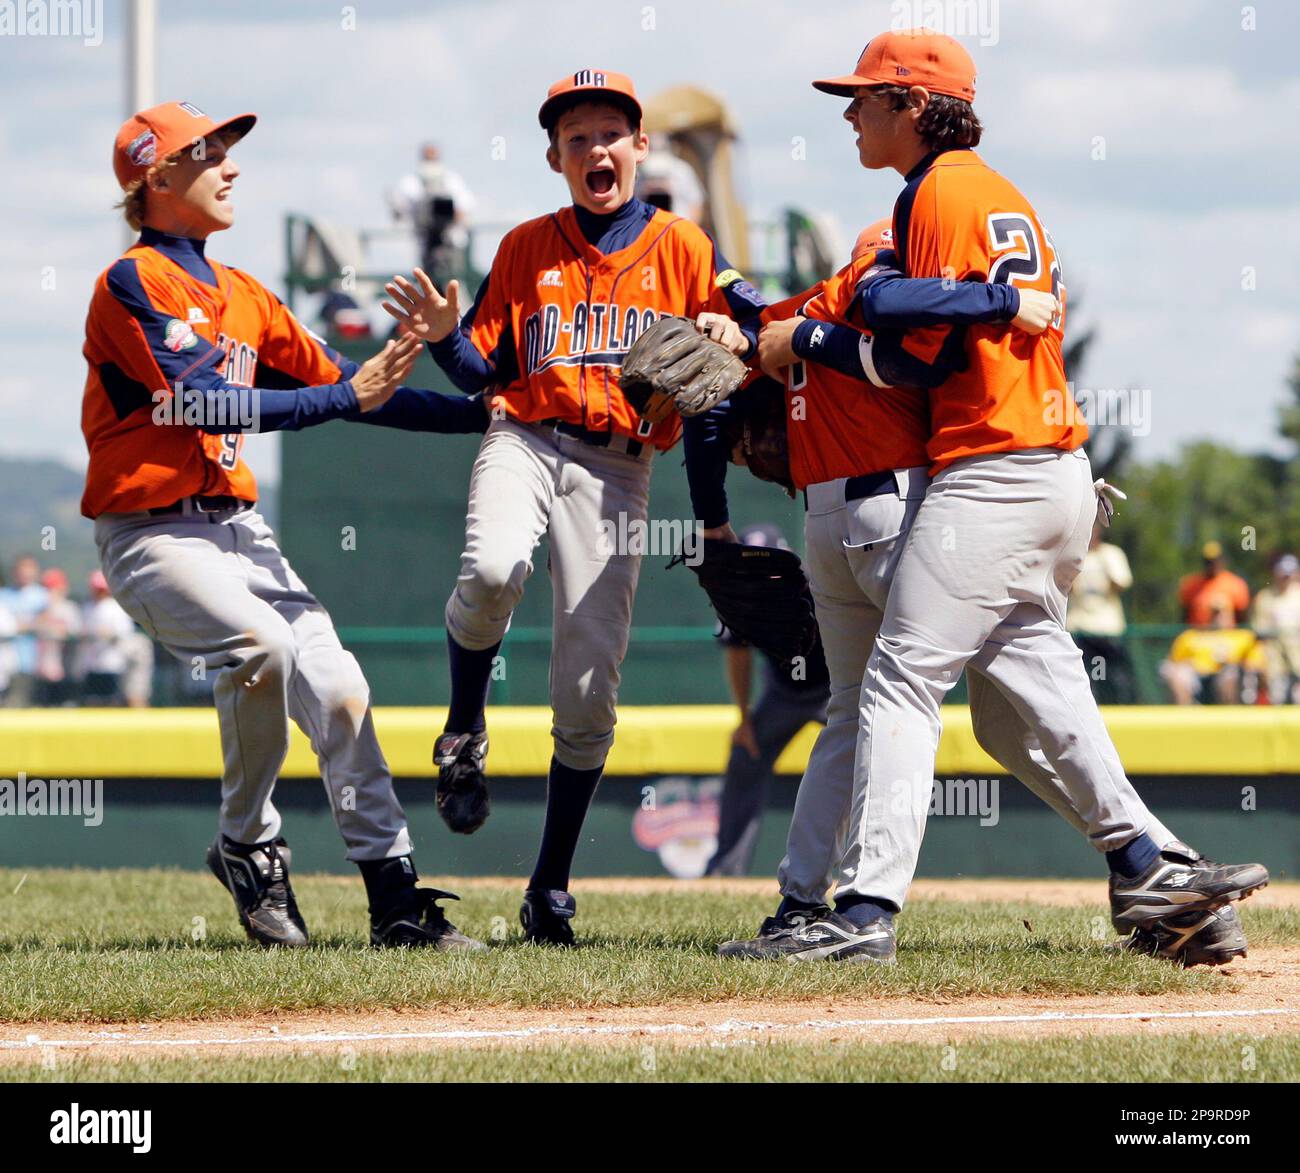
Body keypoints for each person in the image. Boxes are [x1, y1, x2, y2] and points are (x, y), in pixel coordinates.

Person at [734, 29, 1266, 963]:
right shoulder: (998, 193)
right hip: (1055, 476)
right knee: (1018, 691)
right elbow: (906, 320)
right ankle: (1154, 863)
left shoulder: (937, 188)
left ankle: (861, 915)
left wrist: (817, 340)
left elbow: (911, 343)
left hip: (993, 468)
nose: (852, 112)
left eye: (866, 96)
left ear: (913, 103)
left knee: (898, 678)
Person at [84, 101, 490, 951]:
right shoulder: (132, 283)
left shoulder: (244, 295)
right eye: (207, 153)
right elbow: (198, 397)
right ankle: (248, 842)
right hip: (152, 537)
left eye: (228, 149)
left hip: (238, 530)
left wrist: (486, 415)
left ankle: (397, 901)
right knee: (262, 648)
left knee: (340, 691)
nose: (230, 165)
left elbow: (352, 383)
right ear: (156, 178)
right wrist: (345, 395)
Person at [382, 68, 767, 945]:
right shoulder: (524, 247)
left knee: (589, 689)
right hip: (526, 436)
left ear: (639, 147)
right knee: (490, 569)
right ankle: (464, 727)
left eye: (611, 133)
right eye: (577, 137)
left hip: (621, 468)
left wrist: (735, 333)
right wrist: (445, 340)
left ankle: (549, 885)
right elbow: (485, 376)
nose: (596, 149)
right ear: (556, 157)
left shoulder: (685, 249)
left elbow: (748, 336)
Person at [705, 524, 830, 877]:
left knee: (862, 763)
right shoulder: (737, 596)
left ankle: (868, 870)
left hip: (836, 690)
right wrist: (744, 720)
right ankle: (725, 870)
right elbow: (738, 654)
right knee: (746, 753)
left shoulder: (818, 584)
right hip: (783, 693)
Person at [389, 143, 476, 292]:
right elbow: (399, 211)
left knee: (454, 284)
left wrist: (451, 216)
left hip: (452, 243)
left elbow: (465, 207)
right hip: (425, 243)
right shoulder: (410, 183)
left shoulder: (452, 181)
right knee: (429, 285)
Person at [1067, 521, 1136, 703]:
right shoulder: (1073, 555)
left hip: (1107, 628)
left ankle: (1115, 704)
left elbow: (1121, 583)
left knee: (1109, 674)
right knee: (1084, 675)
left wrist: (1105, 565)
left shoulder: (1111, 554)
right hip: (1080, 626)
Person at [1161, 604, 1266, 706]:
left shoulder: (1243, 637)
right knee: (1179, 673)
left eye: (1221, 613)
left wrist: (1231, 662)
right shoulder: (1190, 636)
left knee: (1230, 673)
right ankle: (1184, 716)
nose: (1217, 618)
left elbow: (1255, 664)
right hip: (1196, 678)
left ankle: (1231, 715)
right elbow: (1173, 663)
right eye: (1214, 614)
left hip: (1228, 677)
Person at [77, 570, 138, 704]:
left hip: (112, 663)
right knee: (92, 700)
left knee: (111, 701)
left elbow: (125, 632)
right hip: (91, 664)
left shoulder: (116, 608)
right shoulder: (87, 607)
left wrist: (108, 633)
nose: (99, 593)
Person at [1251, 553, 1300, 703]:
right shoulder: (1264, 597)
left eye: (1289, 573)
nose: (1286, 577)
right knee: (1276, 696)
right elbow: (1259, 631)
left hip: (1297, 659)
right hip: (1274, 661)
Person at [1, 555, 47, 706]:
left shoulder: (40, 595)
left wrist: (18, 626)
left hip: (31, 660)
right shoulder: (4, 595)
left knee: (22, 702)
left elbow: (44, 621)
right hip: (6, 661)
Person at [33, 568, 82, 706]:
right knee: (45, 701)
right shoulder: (42, 608)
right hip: (44, 666)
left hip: (67, 663)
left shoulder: (70, 608)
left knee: (64, 700)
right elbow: (36, 628)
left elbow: (76, 631)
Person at [1179, 540, 1250, 626]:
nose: (1212, 565)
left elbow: (1242, 619)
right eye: (1208, 562)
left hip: (1228, 637)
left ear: (1222, 560)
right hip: (1197, 637)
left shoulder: (1235, 584)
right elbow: (1183, 616)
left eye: (1215, 561)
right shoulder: (1190, 585)